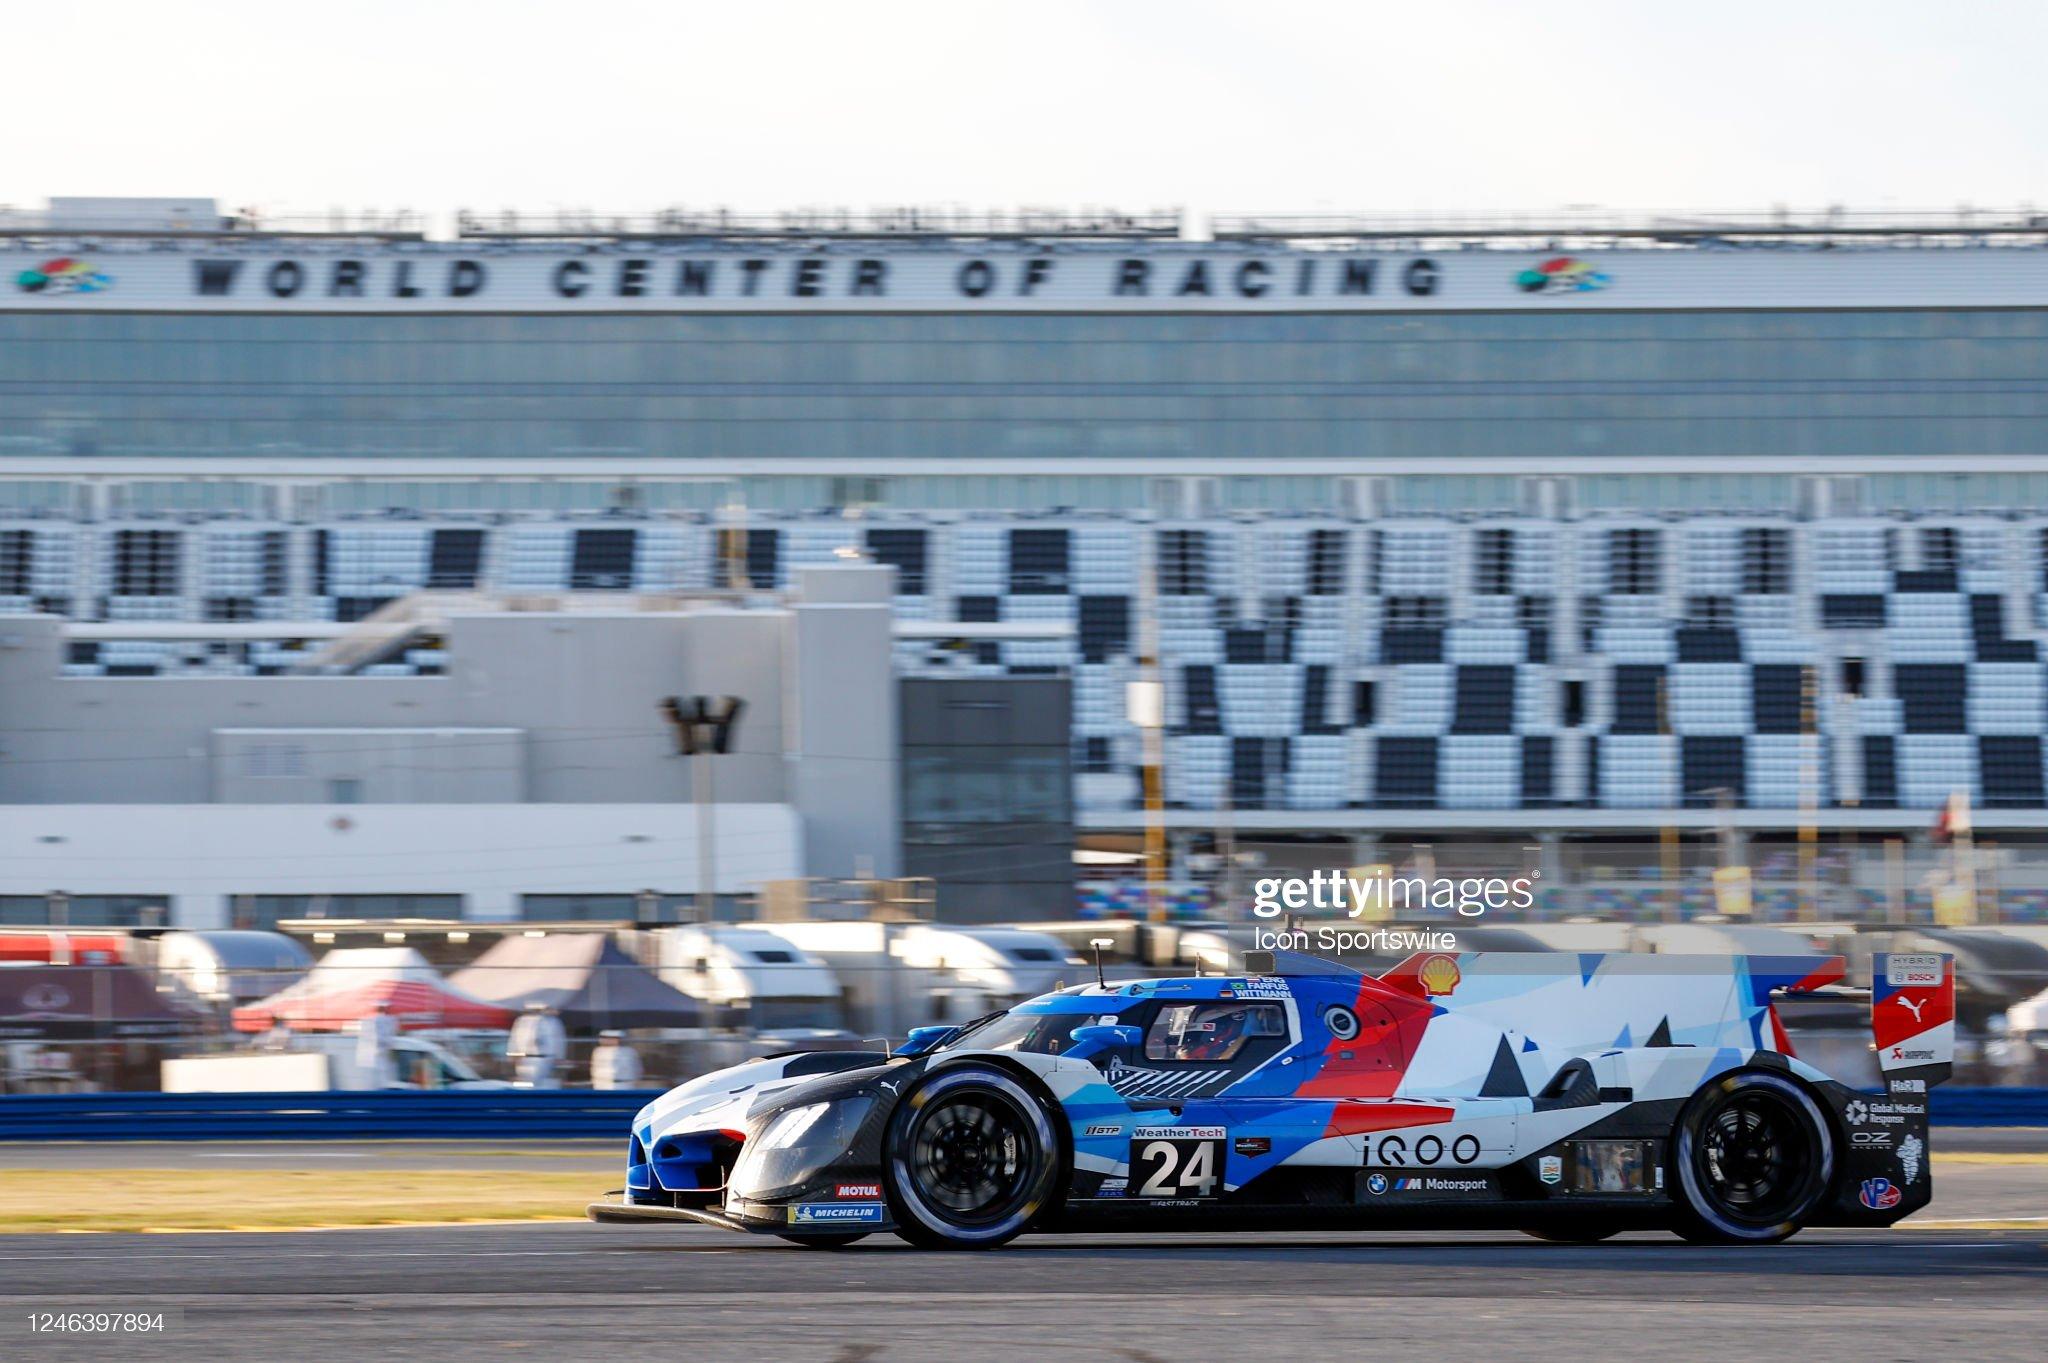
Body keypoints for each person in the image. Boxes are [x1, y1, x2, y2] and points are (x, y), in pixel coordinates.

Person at [508, 1001, 567, 1088]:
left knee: (538, 1084)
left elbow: (558, 1041)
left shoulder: (553, 1022)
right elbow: (514, 1039)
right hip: (524, 1057)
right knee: (525, 1084)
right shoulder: (521, 1021)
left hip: (544, 1058)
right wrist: (513, 1054)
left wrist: (559, 1057)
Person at [355, 999, 395, 1088]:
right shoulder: (380, 1021)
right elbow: (383, 1038)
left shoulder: (374, 1021)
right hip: (378, 1055)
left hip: (376, 1057)